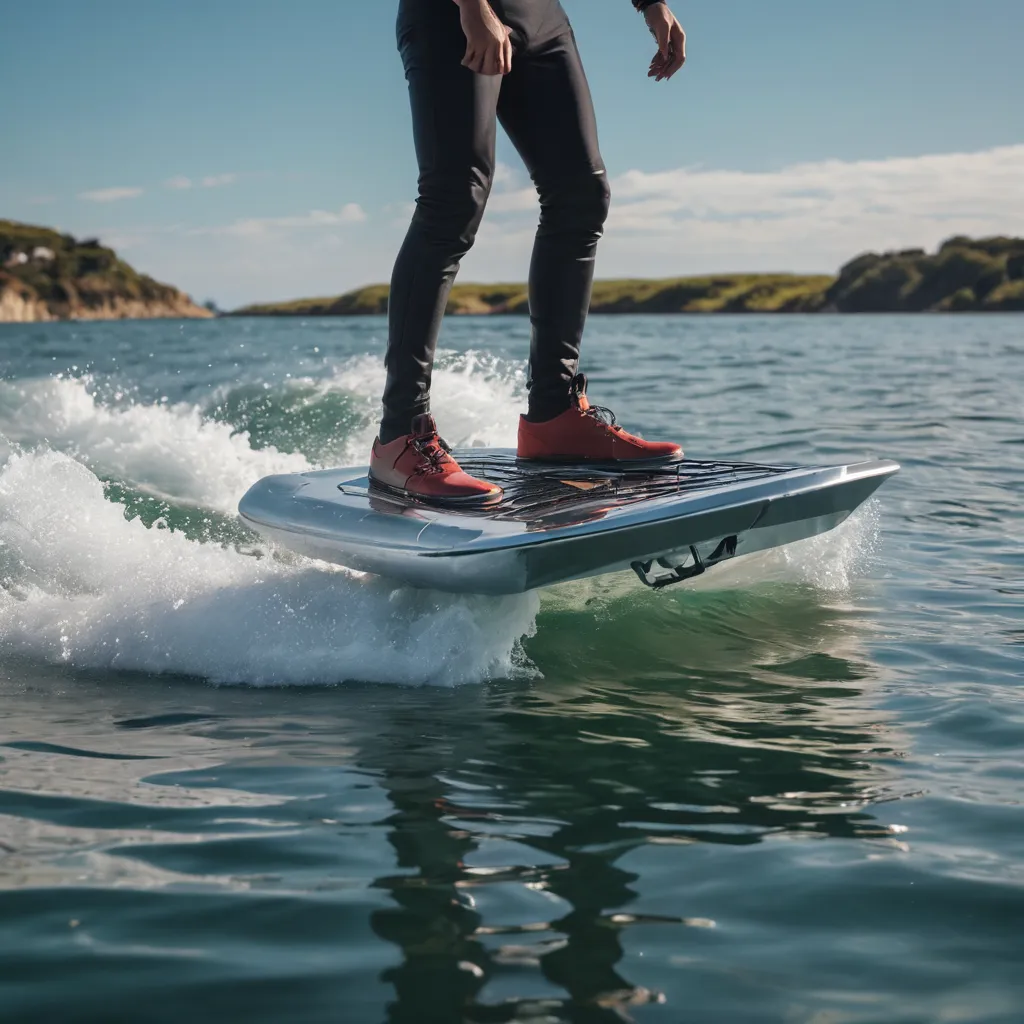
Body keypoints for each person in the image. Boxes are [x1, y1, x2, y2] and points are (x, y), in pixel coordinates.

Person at [370, 0, 687, 505]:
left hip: (539, 16)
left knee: (581, 194)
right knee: (452, 199)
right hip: (450, 13)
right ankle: (398, 436)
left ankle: (554, 417)